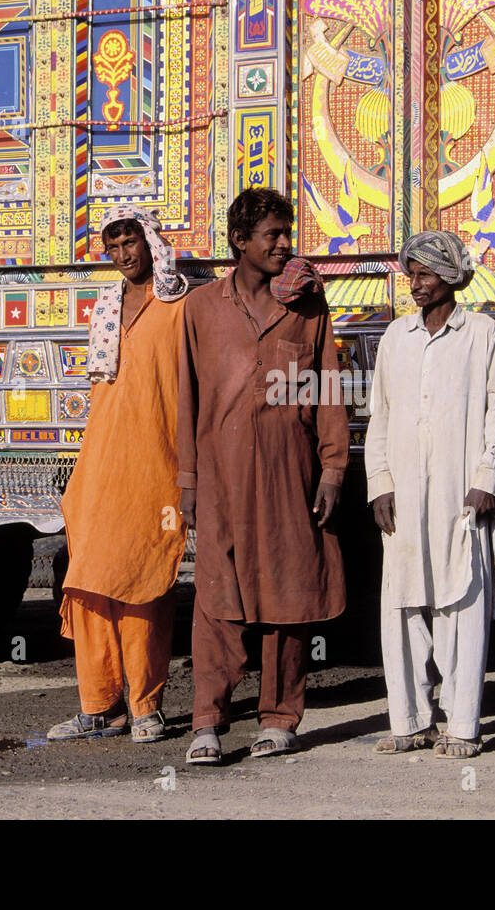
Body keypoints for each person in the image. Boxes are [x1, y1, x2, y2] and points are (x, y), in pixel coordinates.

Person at [178, 188, 347, 765]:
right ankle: (208, 720)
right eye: (271, 235)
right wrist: (187, 481)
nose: (283, 244)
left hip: (289, 473)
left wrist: (332, 467)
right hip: (221, 477)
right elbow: (186, 399)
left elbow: (327, 387)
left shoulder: (305, 306)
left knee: (288, 595)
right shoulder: (200, 308)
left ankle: (279, 717)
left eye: (286, 233)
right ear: (239, 242)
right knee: (216, 598)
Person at [365, 231, 495, 759]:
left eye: (425, 274)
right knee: (402, 600)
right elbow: (380, 415)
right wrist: (379, 483)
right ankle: (408, 721)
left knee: (460, 596)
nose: (416, 284)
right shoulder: (396, 337)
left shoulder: (481, 333)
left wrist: (486, 478)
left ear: (450, 277)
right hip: (403, 489)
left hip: (461, 489)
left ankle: (462, 723)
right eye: (412, 274)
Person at [50, 205, 189, 744]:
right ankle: (98, 706)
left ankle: (146, 706)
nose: (123, 254)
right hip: (101, 463)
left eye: (130, 241)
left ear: (150, 242)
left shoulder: (182, 304)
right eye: (113, 247)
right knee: (86, 582)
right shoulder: (106, 305)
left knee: (145, 584)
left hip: (157, 464)